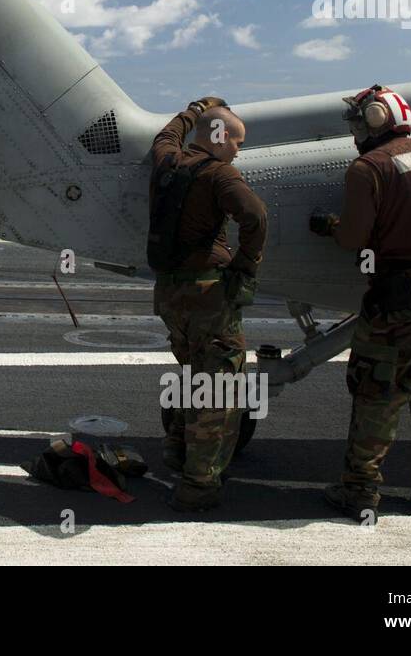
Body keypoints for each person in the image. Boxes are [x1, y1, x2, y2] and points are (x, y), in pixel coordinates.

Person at [310, 85, 411, 520]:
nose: (355, 132)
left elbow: (353, 239)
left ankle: (360, 491)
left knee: (378, 391)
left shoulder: (368, 167)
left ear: (376, 120)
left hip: (402, 295)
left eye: (358, 122)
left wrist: (330, 226)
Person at [150, 96, 267, 511]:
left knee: (190, 372)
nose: (238, 149)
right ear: (218, 138)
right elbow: (255, 216)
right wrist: (245, 265)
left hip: (169, 294)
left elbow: (167, 134)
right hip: (208, 295)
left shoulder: (166, 161)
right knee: (218, 389)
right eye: (236, 141)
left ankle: (176, 451)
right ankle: (199, 486)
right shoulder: (220, 175)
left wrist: (196, 108)